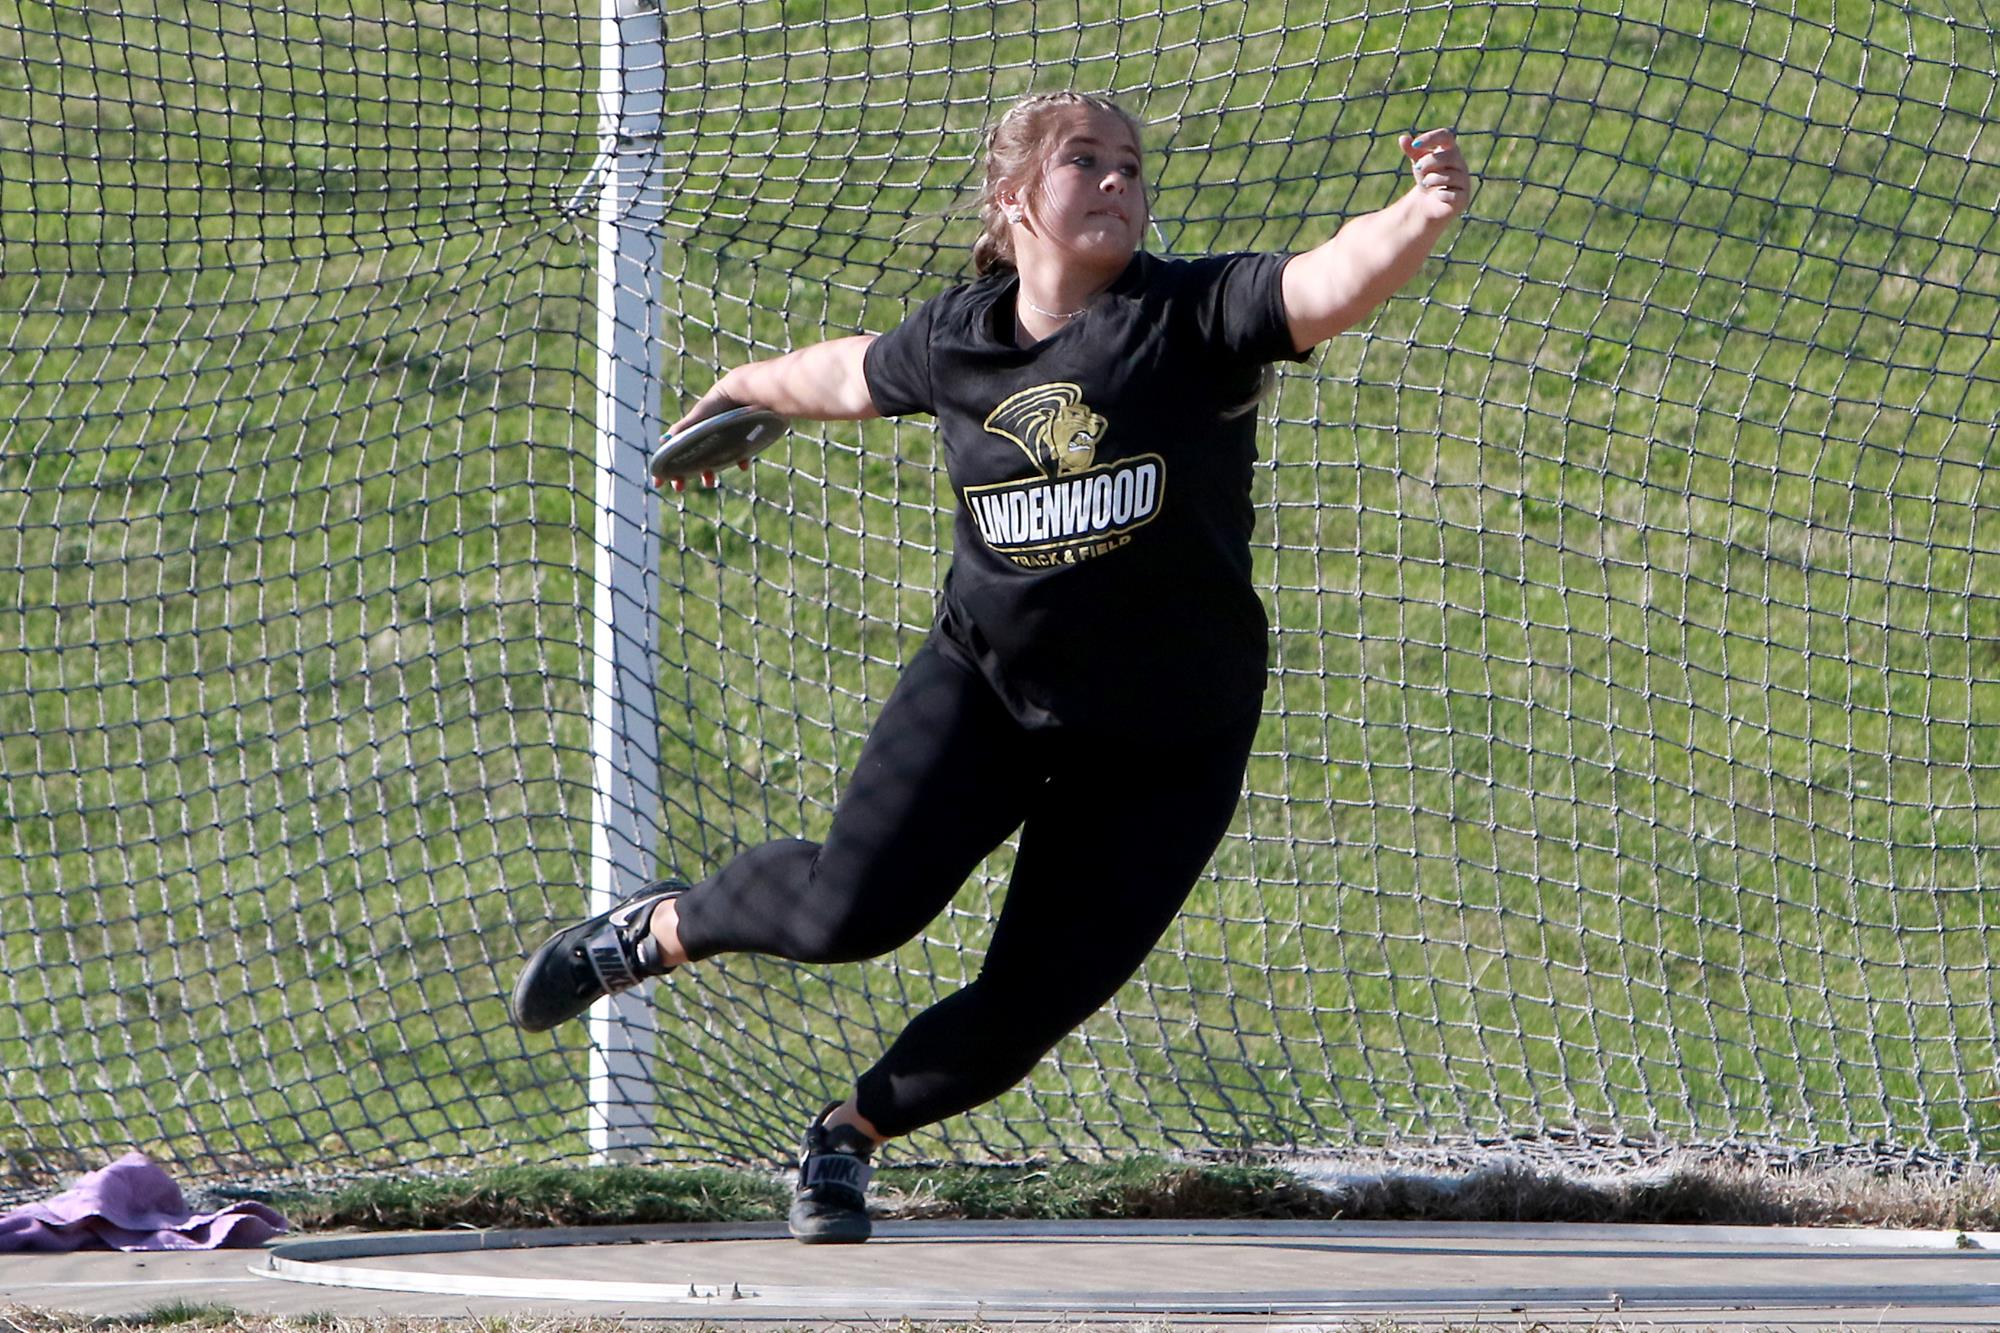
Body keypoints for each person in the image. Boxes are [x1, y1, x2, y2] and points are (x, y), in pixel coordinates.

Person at [512, 90, 1472, 1244]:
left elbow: (1325, 282)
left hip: (1167, 741)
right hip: (988, 692)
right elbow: (851, 373)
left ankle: (843, 1139)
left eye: (1129, 163)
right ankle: (651, 933)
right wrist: (746, 387)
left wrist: (1418, 212)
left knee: (1022, 1012)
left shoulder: (1191, 316)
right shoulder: (959, 338)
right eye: (1085, 160)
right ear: (1015, 198)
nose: (1117, 179)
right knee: (842, 915)